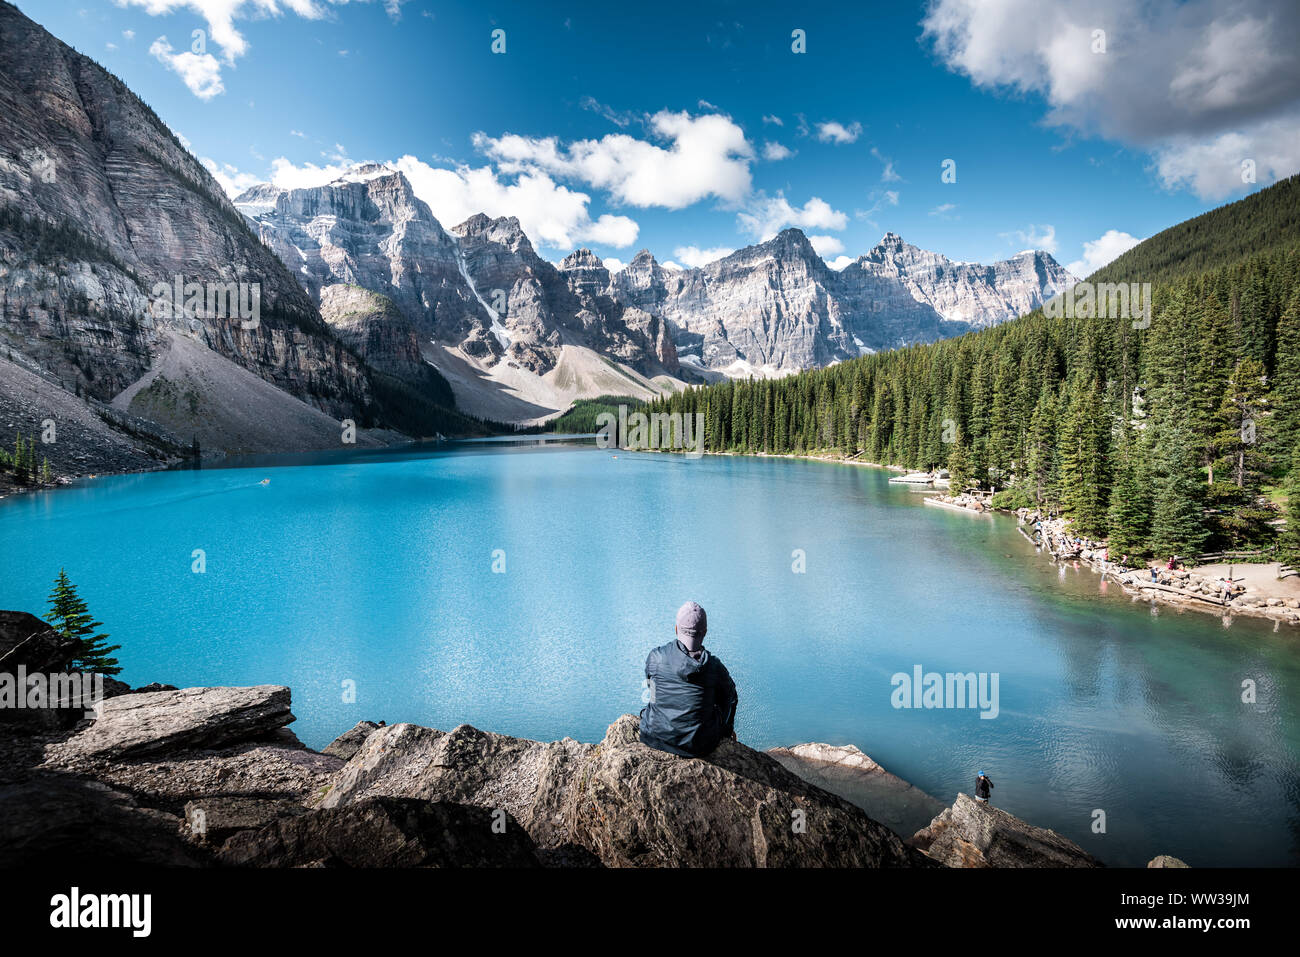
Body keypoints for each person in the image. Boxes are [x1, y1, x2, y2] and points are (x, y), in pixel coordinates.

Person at [639, 601, 738, 758]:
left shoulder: (655, 656)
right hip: (698, 745)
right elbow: (731, 698)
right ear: (704, 632)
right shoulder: (714, 667)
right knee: (723, 697)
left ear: (676, 629)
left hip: (654, 736)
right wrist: (726, 729)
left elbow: (651, 693)